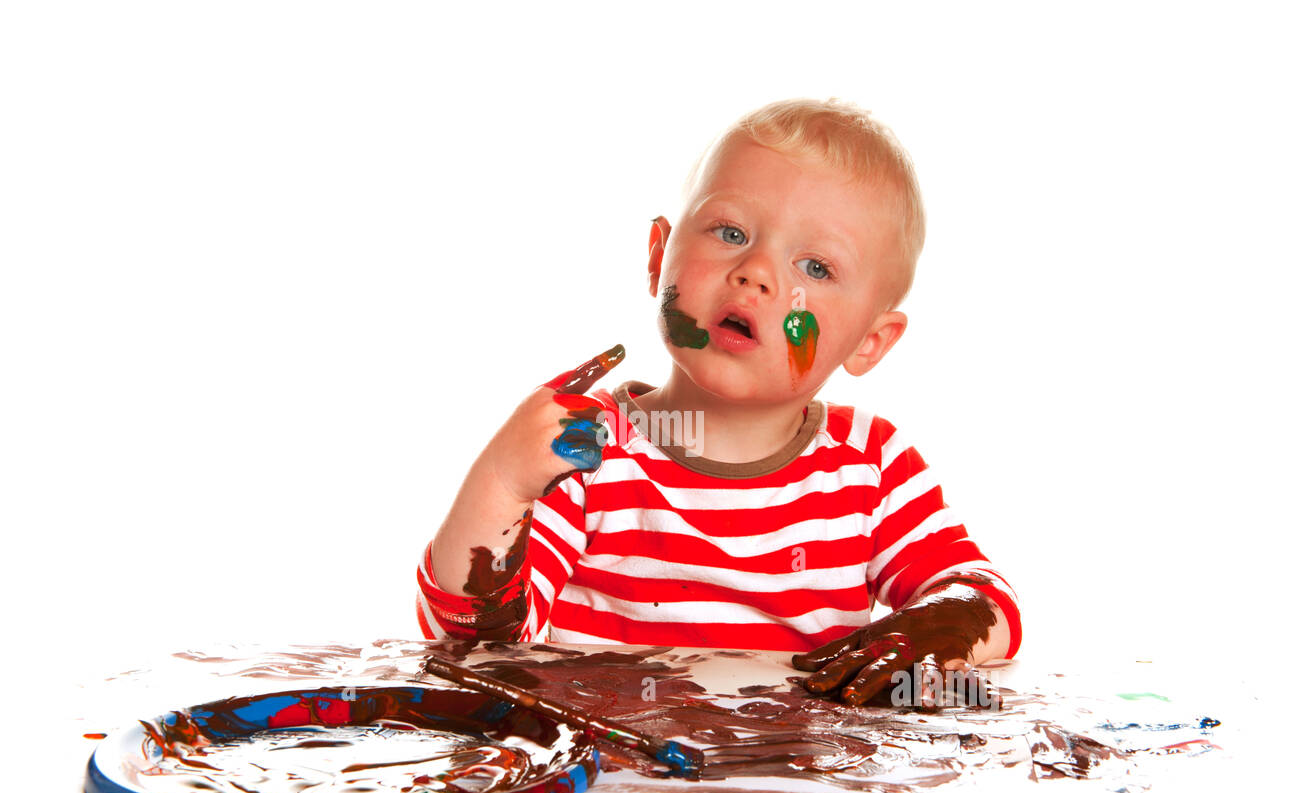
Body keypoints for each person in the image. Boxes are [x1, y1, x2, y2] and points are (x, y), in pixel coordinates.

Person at [416, 98, 1020, 706]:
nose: (756, 271)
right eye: (731, 233)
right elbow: (471, 643)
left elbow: (987, 597)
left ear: (870, 341)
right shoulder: (589, 450)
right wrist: (502, 481)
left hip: (798, 787)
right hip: (616, 777)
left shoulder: (871, 465)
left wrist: (935, 628)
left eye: (815, 265)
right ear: (659, 257)